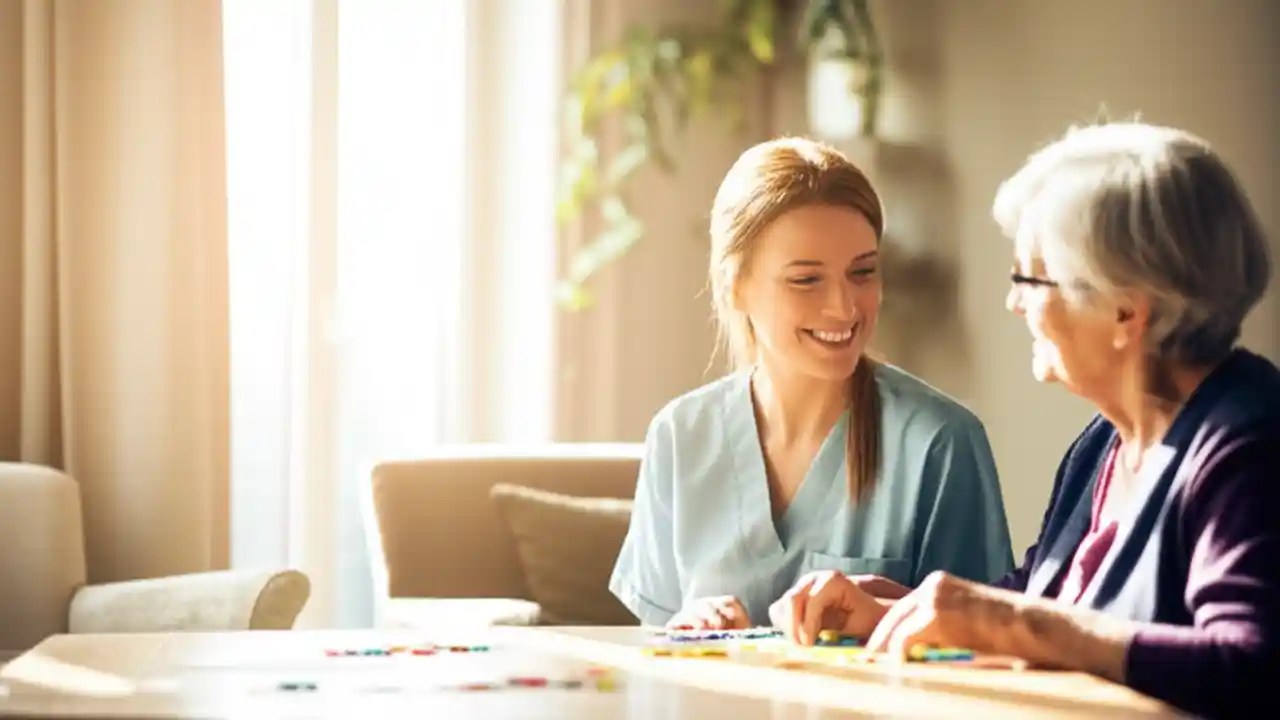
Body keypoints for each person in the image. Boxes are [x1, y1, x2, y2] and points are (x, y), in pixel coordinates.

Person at [768, 122, 1279, 718]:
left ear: (1124, 311)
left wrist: (1024, 627)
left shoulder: (1249, 444)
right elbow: (1036, 598)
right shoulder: (1104, 443)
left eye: (1031, 278)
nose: (1015, 303)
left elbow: (1254, 668)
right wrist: (901, 612)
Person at [608, 137, 1014, 631]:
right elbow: (656, 651)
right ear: (735, 286)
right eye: (806, 280)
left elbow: (983, 647)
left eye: (863, 273)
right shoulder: (679, 436)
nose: (844, 308)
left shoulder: (940, 443)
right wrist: (687, 627)